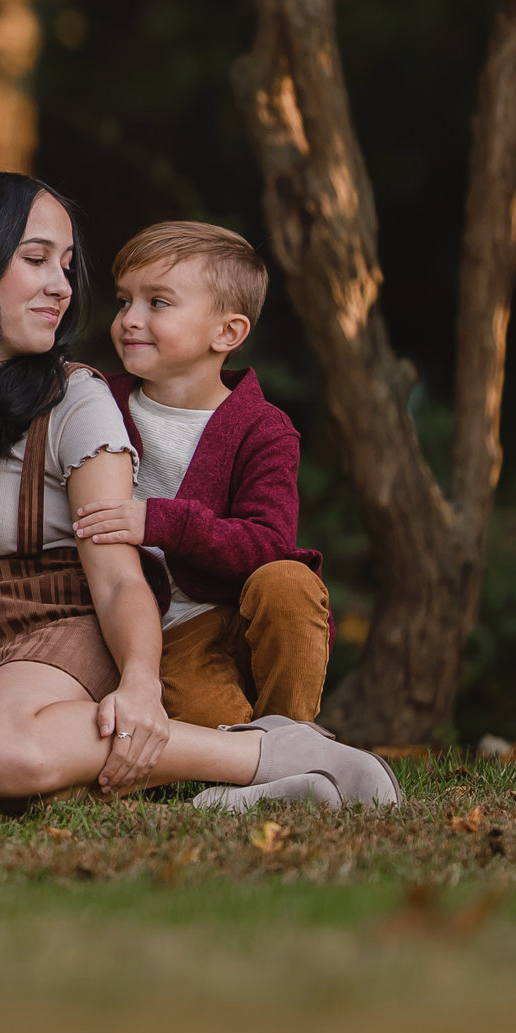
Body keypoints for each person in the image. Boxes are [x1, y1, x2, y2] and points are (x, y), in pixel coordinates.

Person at [0, 179, 400, 817]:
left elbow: (122, 575)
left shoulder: (78, 398)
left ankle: (274, 749)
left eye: (65, 265)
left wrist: (140, 682)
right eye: (37, 260)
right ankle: (150, 803)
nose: (63, 287)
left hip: (65, 633)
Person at [74, 221, 333, 733]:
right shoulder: (95, 401)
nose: (130, 319)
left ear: (227, 333)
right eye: (124, 301)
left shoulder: (263, 429)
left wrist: (161, 522)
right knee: (211, 730)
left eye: (158, 302)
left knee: (290, 582)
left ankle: (291, 736)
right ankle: (249, 750)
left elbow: (268, 544)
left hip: (245, 610)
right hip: (172, 632)